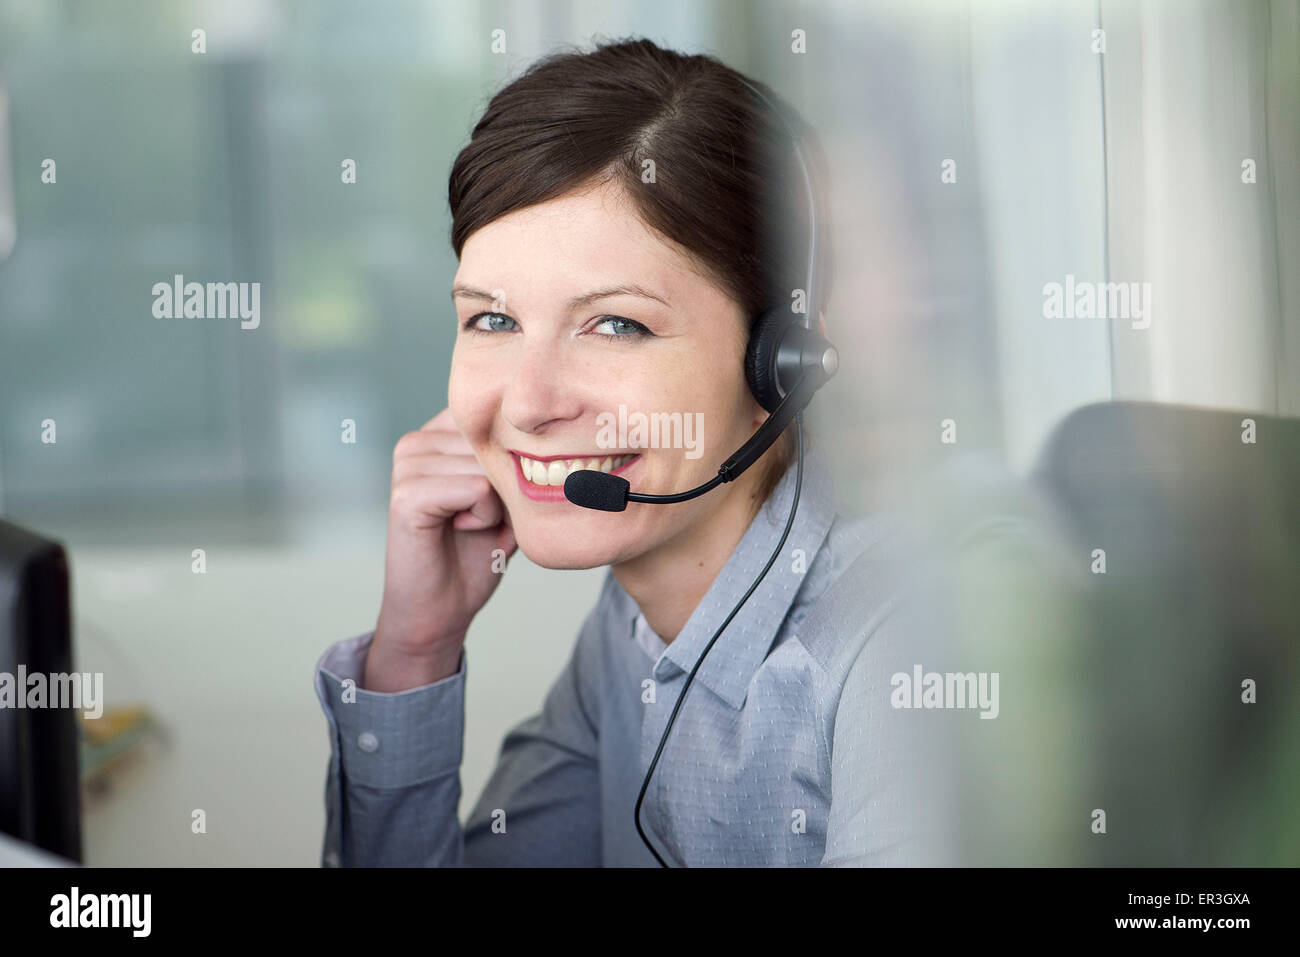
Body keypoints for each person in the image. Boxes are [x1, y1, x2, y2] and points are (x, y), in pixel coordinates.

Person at [313, 37, 946, 867]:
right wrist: (414, 649)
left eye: (617, 324)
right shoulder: (630, 629)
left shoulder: (900, 647)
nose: (531, 404)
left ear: (782, 360)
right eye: (493, 320)